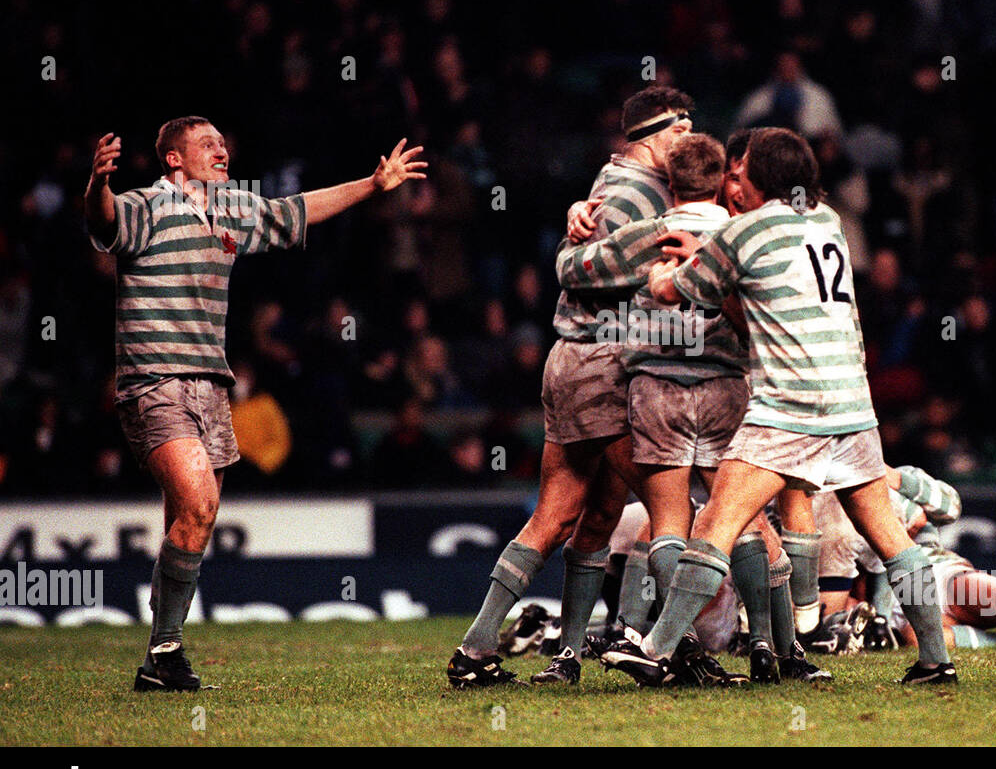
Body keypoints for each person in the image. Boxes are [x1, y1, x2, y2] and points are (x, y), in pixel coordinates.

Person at [599, 127, 956, 686]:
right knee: (890, 537)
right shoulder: (828, 221)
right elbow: (756, 296)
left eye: (740, 172)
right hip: (851, 401)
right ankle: (937, 660)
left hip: (790, 405)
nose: (732, 181)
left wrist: (663, 269)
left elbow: (675, 293)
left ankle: (658, 647)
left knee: (717, 520)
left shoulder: (746, 231)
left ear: (760, 178)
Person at [85, 118, 426, 691]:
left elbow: (297, 210)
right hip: (155, 382)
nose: (222, 150)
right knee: (198, 505)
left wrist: (371, 184)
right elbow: (104, 220)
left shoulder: (232, 209)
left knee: (188, 518)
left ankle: (159, 659)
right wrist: (96, 184)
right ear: (173, 159)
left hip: (213, 388)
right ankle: (166, 649)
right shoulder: (143, 207)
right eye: (207, 144)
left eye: (223, 142)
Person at [446, 86, 695, 689]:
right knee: (672, 511)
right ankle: (675, 650)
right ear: (653, 135)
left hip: (579, 360)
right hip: (601, 362)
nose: (688, 140)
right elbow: (579, 270)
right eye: (681, 130)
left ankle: (493, 653)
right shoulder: (632, 193)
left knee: (575, 515)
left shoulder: (622, 188)